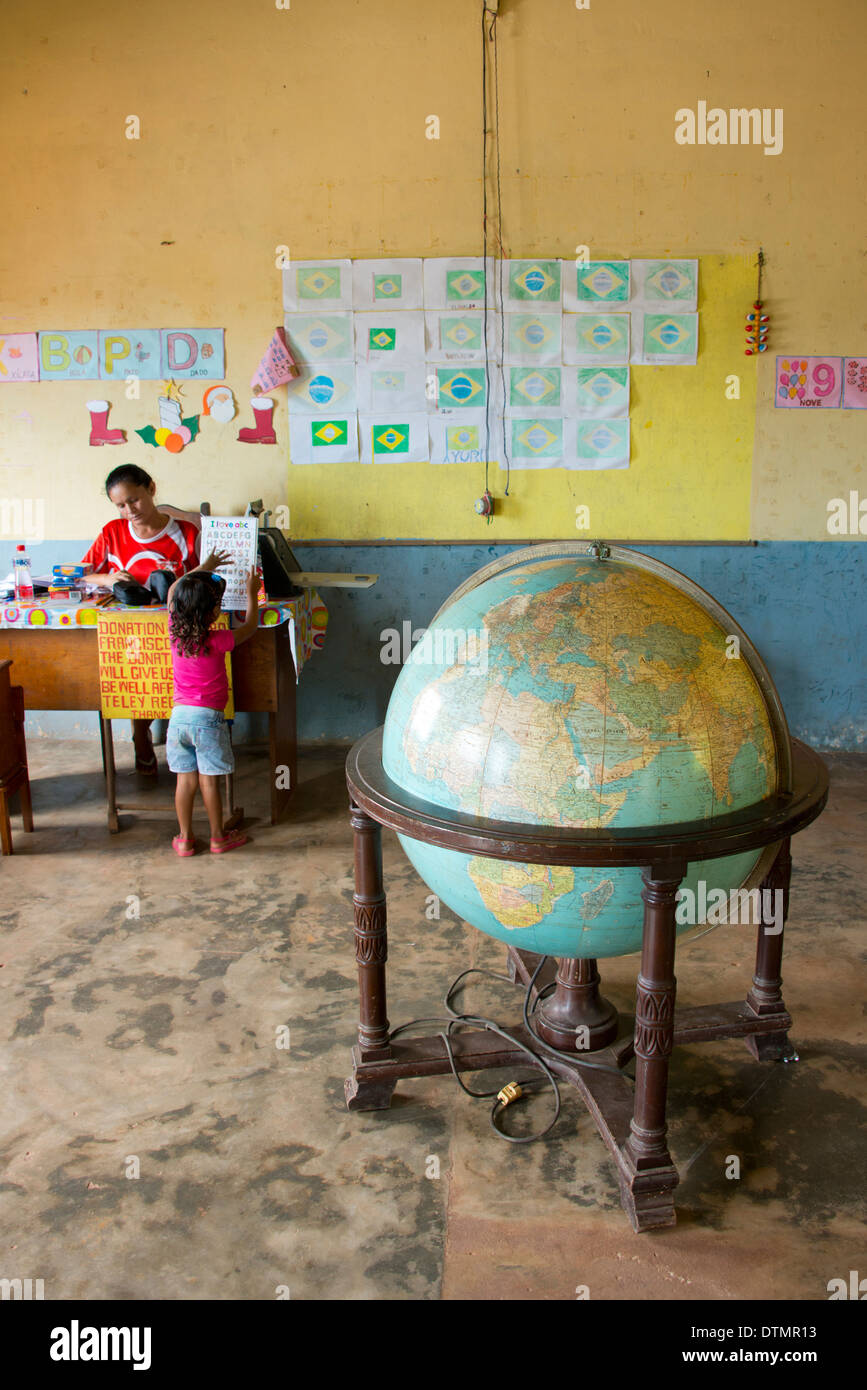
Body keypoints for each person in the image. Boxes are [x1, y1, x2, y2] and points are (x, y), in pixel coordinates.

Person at [81, 464, 202, 774]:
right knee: (138, 676)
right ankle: (139, 733)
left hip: (175, 630)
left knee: (172, 680)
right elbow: (81, 574)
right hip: (129, 634)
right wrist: (108, 579)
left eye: (133, 500)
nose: (128, 510)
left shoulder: (186, 532)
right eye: (120, 505)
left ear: (151, 488)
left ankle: (182, 745)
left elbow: (203, 580)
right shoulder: (112, 532)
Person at [165, 560, 260, 856]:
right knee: (209, 782)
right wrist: (251, 592)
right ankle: (218, 837)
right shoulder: (219, 639)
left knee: (185, 781)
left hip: (178, 719)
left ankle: (184, 838)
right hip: (208, 720)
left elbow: (172, 590)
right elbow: (251, 626)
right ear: (214, 612)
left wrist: (203, 566)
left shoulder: (173, 633)